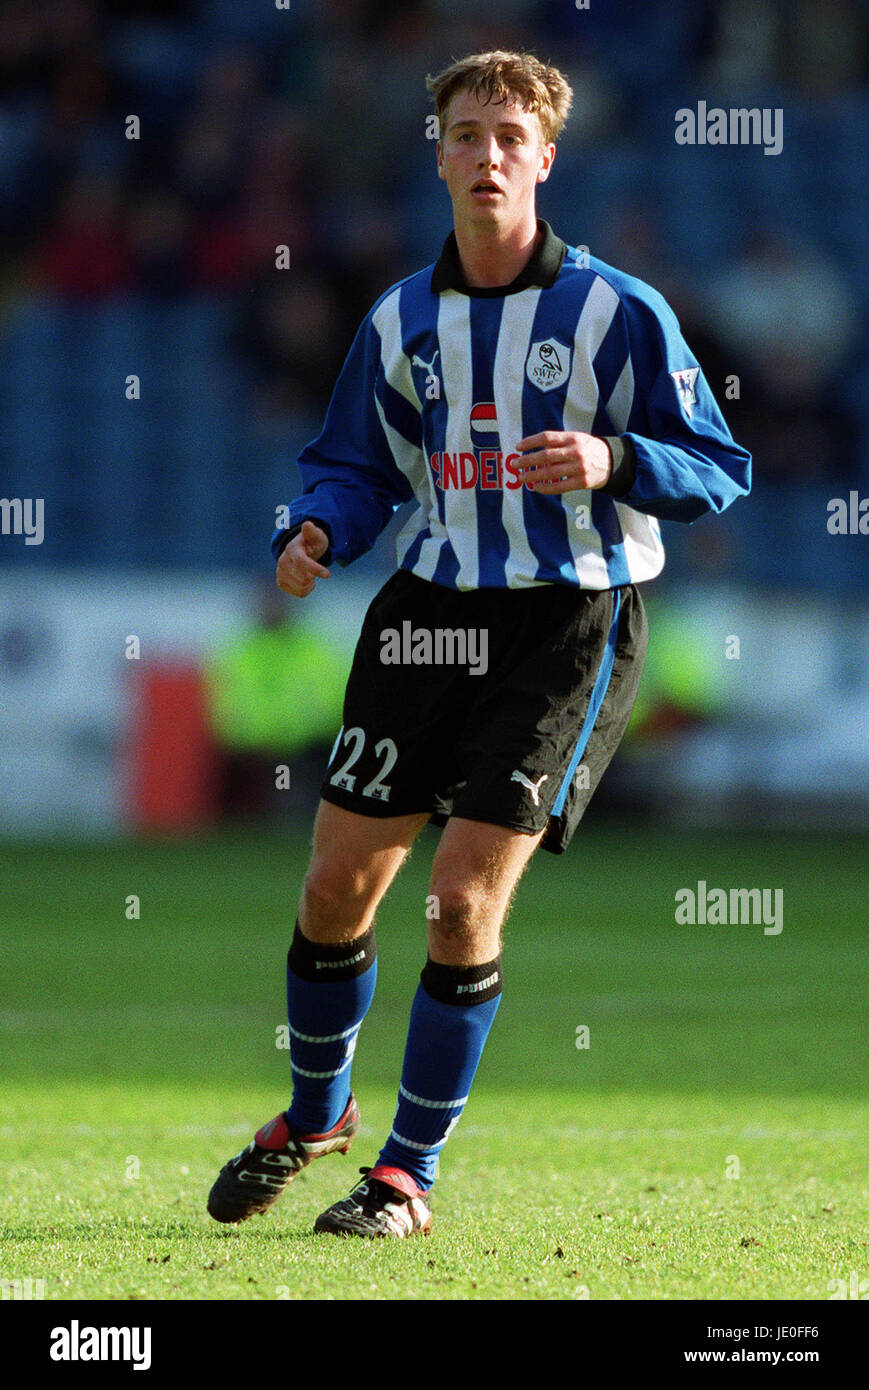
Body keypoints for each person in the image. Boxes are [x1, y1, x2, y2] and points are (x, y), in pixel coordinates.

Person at [207, 50, 751, 1238]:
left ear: (545, 159)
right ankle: (315, 1113)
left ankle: (404, 1175)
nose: (488, 154)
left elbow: (719, 467)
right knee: (334, 884)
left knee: (459, 906)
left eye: (511, 136)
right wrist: (311, 529)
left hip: (566, 623)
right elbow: (352, 465)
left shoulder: (619, 312)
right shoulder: (401, 317)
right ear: (438, 151)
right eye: (467, 133)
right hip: (427, 612)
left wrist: (616, 460)